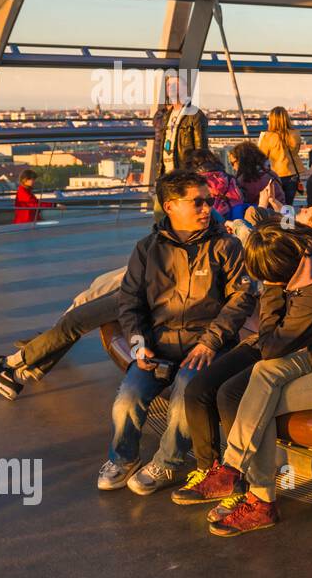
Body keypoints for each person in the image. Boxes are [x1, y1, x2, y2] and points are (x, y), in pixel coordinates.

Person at [174, 223, 312, 535]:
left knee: (265, 401)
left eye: (272, 279)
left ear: (287, 273)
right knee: (264, 376)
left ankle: (259, 499)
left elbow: (270, 346)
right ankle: (234, 469)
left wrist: (273, 289)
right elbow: (270, 358)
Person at [101, 170, 256, 493]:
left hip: (207, 347)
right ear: (170, 206)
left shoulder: (225, 247)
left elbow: (241, 299)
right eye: (198, 202)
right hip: (158, 345)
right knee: (126, 401)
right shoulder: (147, 250)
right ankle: (124, 457)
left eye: (209, 202)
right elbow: (130, 301)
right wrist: (139, 344)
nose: (207, 209)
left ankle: (168, 463)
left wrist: (210, 342)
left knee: (185, 396)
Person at [0, 270, 124, 400]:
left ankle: (11, 367)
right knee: (92, 290)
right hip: (144, 265)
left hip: (145, 283)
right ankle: (37, 354)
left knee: (76, 319)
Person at [152, 75, 207, 177]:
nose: (171, 87)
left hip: (185, 172)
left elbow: (201, 150)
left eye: (175, 84)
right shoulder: (166, 116)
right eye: (168, 85)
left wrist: (195, 174)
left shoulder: (195, 115)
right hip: (166, 171)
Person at [257, 106, 304, 204]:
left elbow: (261, 155)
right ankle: (288, 219)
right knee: (288, 204)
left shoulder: (268, 136)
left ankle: (279, 219)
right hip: (292, 173)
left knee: (277, 203)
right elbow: (296, 151)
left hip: (276, 174)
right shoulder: (295, 134)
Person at [187, 149, 243, 220]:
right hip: (233, 216)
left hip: (208, 217)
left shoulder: (195, 181)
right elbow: (238, 198)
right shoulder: (228, 178)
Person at [229, 140, 283, 210]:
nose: (233, 167)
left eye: (233, 163)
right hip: (281, 213)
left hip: (264, 216)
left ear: (241, 161)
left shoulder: (245, 180)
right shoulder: (271, 174)